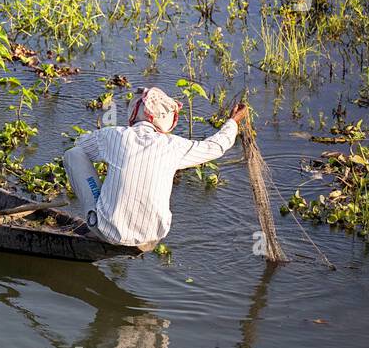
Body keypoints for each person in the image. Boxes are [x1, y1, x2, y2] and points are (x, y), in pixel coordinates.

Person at [63, 87, 248, 250]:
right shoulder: (174, 145)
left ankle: (96, 223)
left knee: (73, 154)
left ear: (135, 114)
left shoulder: (114, 135)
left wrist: (111, 156)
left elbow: (80, 145)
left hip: (109, 232)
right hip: (154, 235)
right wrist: (233, 121)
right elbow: (217, 146)